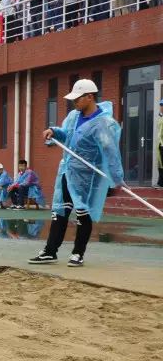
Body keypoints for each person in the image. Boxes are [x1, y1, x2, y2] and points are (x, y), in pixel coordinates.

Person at [29, 79, 125, 267]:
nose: (74, 102)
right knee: (60, 211)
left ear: (90, 97)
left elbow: (111, 152)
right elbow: (66, 134)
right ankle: (50, 251)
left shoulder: (103, 123)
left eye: (78, 99)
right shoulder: (74, 115)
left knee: (82, 212)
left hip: (86, 177)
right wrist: (54, 132)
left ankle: (78, 253)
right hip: (67, 171)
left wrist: (116, 178)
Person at [157, 99, 163, 188]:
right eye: (160, 105)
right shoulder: (160, 117)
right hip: (160, 144)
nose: (161, 107)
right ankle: (161, 183)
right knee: (160, 164)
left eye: (162, 106)